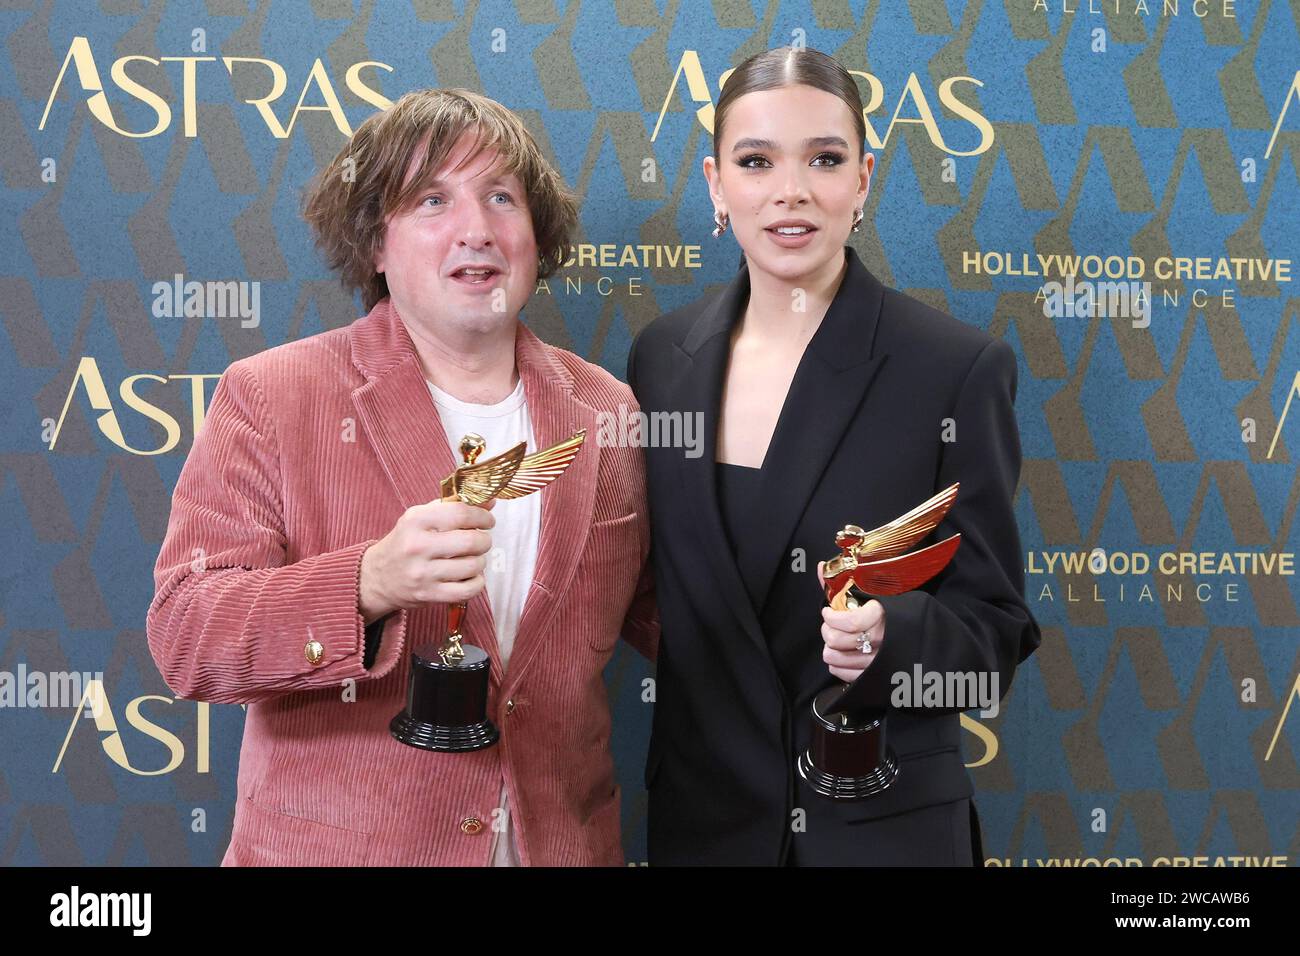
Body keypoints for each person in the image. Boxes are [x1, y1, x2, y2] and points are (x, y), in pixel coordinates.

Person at [147, 88, 657, 866]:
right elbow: (187, 636)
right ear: (376, 244)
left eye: (501, 197)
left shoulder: (606, 410)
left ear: (536, 234)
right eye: (432, 200)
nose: (477, 229)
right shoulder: (273, 395)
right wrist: (369, 581)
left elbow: (676, 619)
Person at [627, 47, 1040, 865]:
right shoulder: (660, 358)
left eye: (824, 158)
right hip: (703, 830)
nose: (792, 191)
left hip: (878, 831)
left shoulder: (953, 369)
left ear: (863, 180)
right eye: (756, 161)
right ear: (716, 184)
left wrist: (895, 634)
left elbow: (993, 637)